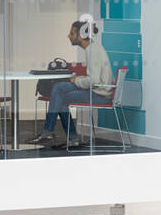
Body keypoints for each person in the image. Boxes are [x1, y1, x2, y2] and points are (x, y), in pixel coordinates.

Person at [28, 19, 114, 149]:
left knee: (59, 97)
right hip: (98, 90)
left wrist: (77, 80)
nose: (69, 36)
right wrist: (77, 79)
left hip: (99, 94)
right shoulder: (93, 48)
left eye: (71, 33)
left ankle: (53, 133)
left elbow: (93, 81)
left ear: (80, 36)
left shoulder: (92, 50)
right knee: (59, 87)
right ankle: (55, 133)